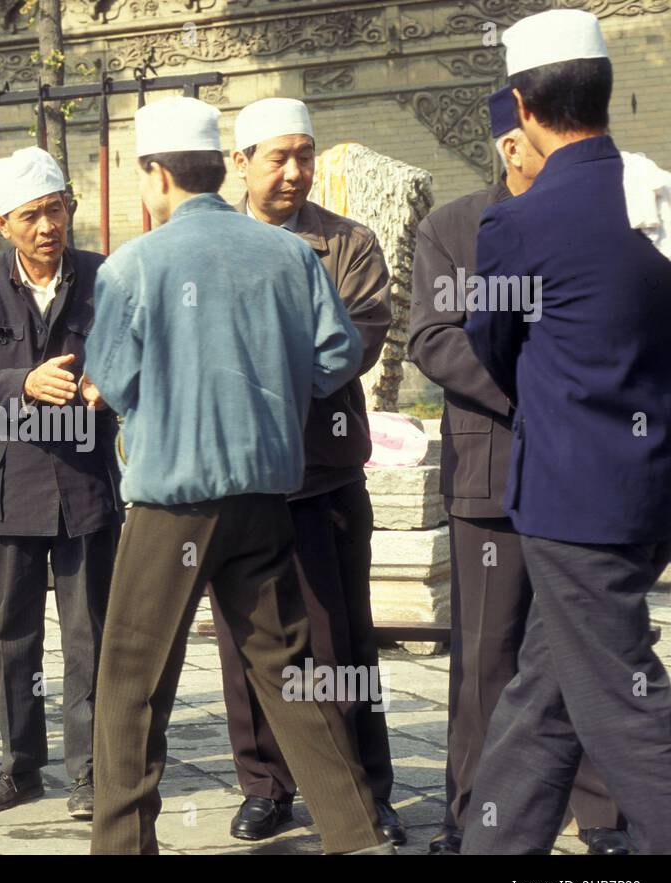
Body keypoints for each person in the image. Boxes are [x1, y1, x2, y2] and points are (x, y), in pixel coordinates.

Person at [85, 95, 388, 855]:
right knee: (289, 672)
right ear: (222, 168)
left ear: (154, 174)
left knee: (130, 681)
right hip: (266, 496)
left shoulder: (131, 266)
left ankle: (122, 846)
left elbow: (115, 381)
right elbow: (335, 358)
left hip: (174, 506)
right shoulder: (289, 256)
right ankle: (356, 835)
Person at [463, 9, 671, 854]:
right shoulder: (661, 197)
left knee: (625, 709)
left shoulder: (516, 224)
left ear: (521, 104)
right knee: (544, 699)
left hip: (570, 502)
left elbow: (495, 349)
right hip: (650, 487)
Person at [408, 85, 628, 855]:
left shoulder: (604, 216)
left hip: (579, 473)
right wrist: (535, 389)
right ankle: (470, 814)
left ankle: (602, 815)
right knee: (485, 657)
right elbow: (434, 338)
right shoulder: (454, 228)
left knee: (586, 648)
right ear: (513, 145)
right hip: (491, 472)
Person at [216, 96, 403, 844]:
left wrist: (251, 358)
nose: (294, 172)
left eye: (305, 156)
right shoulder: (211, 242)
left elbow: (356, 343)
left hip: (323, 475)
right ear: (240, 163)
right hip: (241, 477)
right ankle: (265, 785)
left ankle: (364, 786)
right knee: (246, 643)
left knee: (340, 642)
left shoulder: (347, 244)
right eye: (277, 157)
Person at [0, 146, 121, 818]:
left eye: (55, 210)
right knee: (12, 635)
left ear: (69, 208)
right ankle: (20, 766)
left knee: (89, 635)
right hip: (7, 485)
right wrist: (23, 382)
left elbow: (134, 355)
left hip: (84, 485)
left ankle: (92, 772)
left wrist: (112, 386)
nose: (47, 227)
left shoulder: (106, 276)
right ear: (3, 223)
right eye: (30, 216)